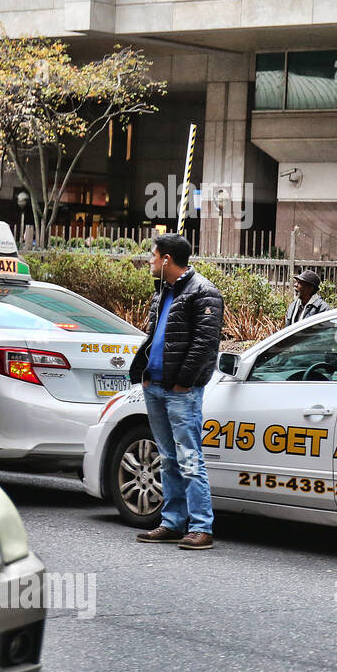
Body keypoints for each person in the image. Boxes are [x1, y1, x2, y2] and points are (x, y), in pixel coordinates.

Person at [128, 233, 224, 551]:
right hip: (154, 386)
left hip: (180, 391)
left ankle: (201, 527)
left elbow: (205, 345)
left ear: (167, 259)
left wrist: (183, 382)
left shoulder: (204, 292)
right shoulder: (162, 292)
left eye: (153, 256)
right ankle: (172, 522)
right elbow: (154, 335)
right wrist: (145, 374)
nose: (150, 262)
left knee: (189, 458)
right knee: (168, 458)